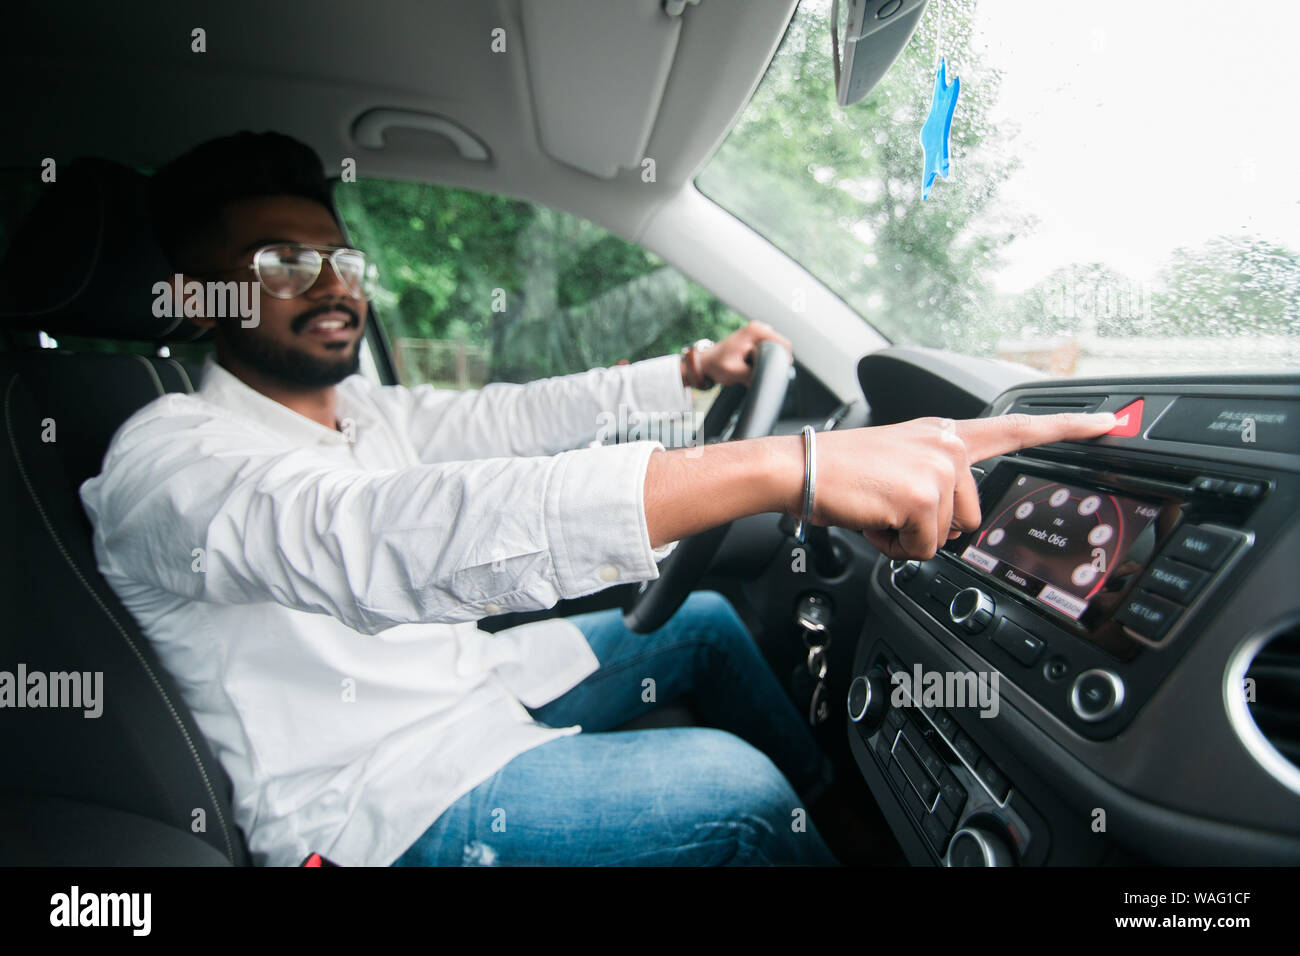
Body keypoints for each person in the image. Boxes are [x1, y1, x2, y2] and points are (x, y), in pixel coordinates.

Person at [79, 131, 1117, 867]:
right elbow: (366, 540)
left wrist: (690, 369)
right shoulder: (164, 457)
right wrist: (783, 467)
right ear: (188, 297)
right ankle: (792, 830)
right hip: (378, 799)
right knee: (730, 788)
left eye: (342, 257)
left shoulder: (362, 411)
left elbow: (516, 420)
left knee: (706, 619)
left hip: (470, 691)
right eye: (284, 263)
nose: (333, 283)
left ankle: (839, 818)